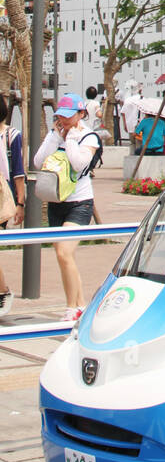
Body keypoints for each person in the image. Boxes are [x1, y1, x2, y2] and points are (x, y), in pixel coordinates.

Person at [34, 96, 103, 323]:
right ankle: (80, 304)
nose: (63, 118)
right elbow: (38, 161)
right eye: (60, 114)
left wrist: (71, 139)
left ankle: (72, 307)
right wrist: (56, 136)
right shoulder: (56, 134)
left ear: (81, 113)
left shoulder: (89, 137)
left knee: (64, 252)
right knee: (64, 257)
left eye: (68, 114)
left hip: (80, 203)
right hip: (57, 202)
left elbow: (78, 163)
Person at [0, 93, 26, 317]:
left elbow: (18, 171)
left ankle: (4, 291)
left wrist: (20, 203)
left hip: (2, 197)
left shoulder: (11, 135)